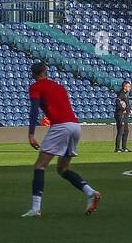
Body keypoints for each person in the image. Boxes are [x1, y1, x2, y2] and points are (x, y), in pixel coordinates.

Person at [22, 62, 101, 217]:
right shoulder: (59, 87)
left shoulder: (36, 87)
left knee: (40, 166)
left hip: (60, 126)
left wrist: (31, 134)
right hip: (75, 126)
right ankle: (91, 193)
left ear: (33, 74)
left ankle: (35, 209)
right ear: (46, 72)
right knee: (62, 169)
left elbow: (34, 110)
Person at [112, 81, 132, 153]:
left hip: (125, 115)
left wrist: (129, 110)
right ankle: (117, 148)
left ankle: (124, 148)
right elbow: (117, 101)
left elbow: (126, 103)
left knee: (126, 131)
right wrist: (122, 109)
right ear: (125, 87)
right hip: (121, 115)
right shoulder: (121, 93)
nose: (129, 88)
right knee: (121, 131)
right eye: (128, 86)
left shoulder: (126, 94)